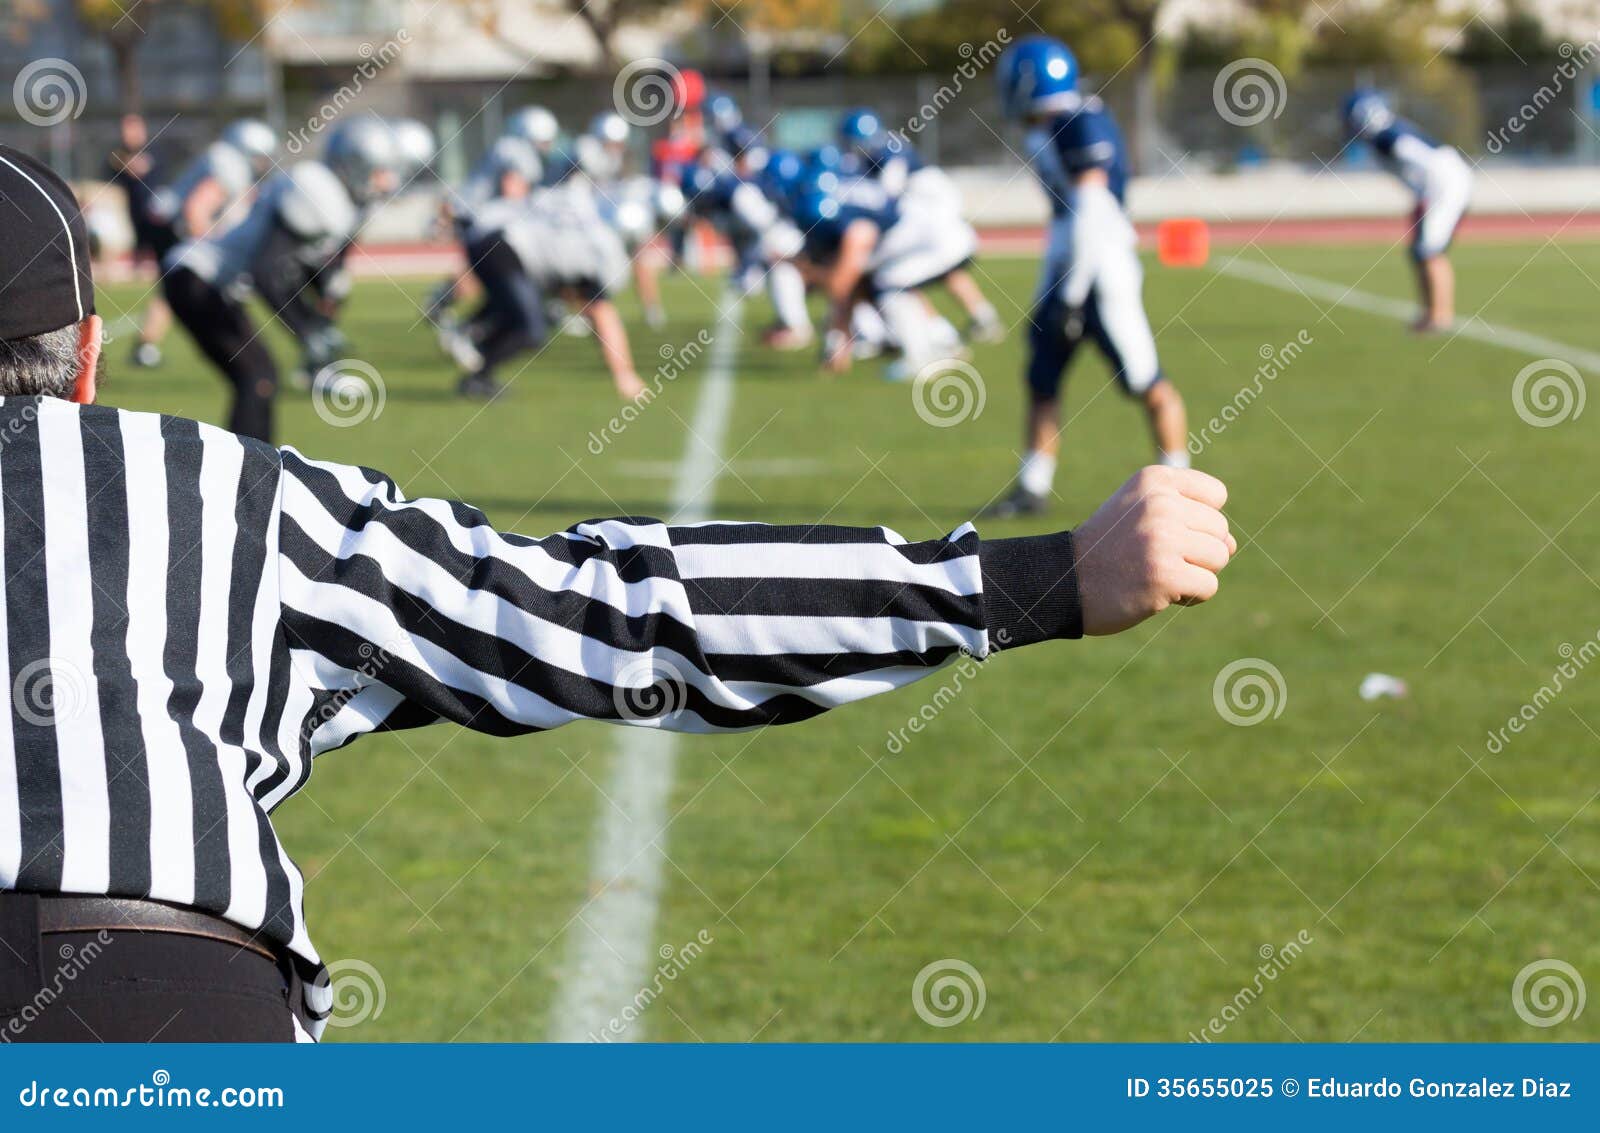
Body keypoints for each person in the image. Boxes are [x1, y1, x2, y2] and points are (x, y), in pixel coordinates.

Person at [0, 142, 1234, 1042]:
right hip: (163, 1001)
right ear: (90, 356)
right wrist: (1027, 578)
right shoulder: (231, 492)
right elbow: (612, 606)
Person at [985, 36, 1190, 520]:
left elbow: (1092, 210)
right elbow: (1063, 223)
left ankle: (1179, 481)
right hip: (1069, 273)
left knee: (1146, 382)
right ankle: (1033, 487)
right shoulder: (1050, 127)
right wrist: (1048, 296)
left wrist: (1072, 296)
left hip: (1103, 274)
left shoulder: (1080, 122)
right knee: (1041, 380)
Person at [161, 117, 399, 442]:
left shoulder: (335, 201)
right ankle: (246, 475)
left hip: (207, 281)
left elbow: (301, 269)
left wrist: (319, 315)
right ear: (355, 165)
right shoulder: (317, 191)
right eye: (379, 172)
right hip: (197, 277)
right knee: (258, 377)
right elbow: (267, 272)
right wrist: (306, 332)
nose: (386, 182)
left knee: (260, 377)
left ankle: (252, 469)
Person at [839, 108, 1003, 344]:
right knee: (947, 268)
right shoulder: (888, 144)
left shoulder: (888, 148)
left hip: (929, 211)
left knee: (895, 273)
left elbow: (888, 194)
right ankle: (981, 317)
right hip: (931, 213)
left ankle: (934, 331)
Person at [1343, 89, 1471, 332]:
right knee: (1419, 251)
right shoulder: (1385, 136)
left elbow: (1428, 163)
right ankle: (1430, 312)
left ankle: (1441, 316)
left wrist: (1427, 195)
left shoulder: (1389, 138)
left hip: (1444, 187)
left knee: (1428, 250)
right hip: (1439, 186)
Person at [103, 113, 171, 368]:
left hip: (162, 228)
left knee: (169, 285)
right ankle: (147, 344)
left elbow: (138, 167)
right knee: (168, 287)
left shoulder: (155, 152)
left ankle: (147, 343)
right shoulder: (114, 158)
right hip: (139, 231)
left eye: (133, 128)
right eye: (124, 129)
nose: (128, 134)